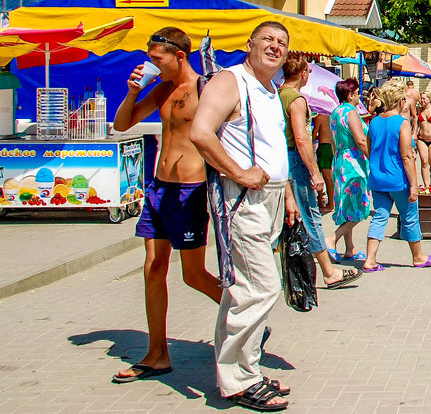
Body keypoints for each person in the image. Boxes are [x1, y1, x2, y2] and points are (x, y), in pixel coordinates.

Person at [190, 21, 298, 411]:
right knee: (261, 287)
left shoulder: (269, 89)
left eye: (281, 42)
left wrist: (286, 194)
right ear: (248, 44)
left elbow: (272, 149)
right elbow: (201, 133)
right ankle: (239, 380)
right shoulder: (229, 80)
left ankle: (243, 369)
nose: (274, 46)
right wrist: (237, 172)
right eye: (267, 39)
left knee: (244, 289)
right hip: (242, 199)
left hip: (268, 197)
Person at [111, 27, 223, 384]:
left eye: (156, 59)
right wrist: (132, 92)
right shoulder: (161, 87)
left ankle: (245, 317)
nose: (151, 64)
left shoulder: (206, 90)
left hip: (190, 191)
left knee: (193, 275)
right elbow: (121, 124)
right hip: (159, 189)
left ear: (179, 55)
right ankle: (157, 353)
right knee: (153, 267)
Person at [278, 57, 360, 290]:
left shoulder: (276, 94)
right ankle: (329, 272)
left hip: (280, 160)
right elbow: (302, 138)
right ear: (304, 73)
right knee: (310, 215)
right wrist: (315, 173)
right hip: (295, 159)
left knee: (289, 218)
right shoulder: (296, 99)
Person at [361, 82, 431, 273]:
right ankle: (418, 256)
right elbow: (406, 155)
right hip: (398, 179)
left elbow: (369, 149)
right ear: (399, 100)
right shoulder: (401, 123)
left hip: (377, 179)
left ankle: (370, 259)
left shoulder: (374, 122)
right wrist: (414, 185)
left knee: (379, 217)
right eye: (404, 98)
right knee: (410, 216)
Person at [329, 79, 372, 261]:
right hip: (354, 162)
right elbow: (361, 140)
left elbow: (333, 141)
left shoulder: (335, 112)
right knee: (360, 206)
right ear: (350, 95)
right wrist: (373, 159)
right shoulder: (350, 112)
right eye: (356, 93)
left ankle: (350, 248)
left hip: (340, 160)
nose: (359, 97)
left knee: (347, 205)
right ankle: (332, 239)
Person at [415, 92, 431, 188]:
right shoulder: (418, 110)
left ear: (429, 99)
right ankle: (426, 185)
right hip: (421, 139)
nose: (422, 101)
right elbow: (415, 123)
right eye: (421, 99)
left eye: (424, 99)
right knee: (424, 162)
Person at [313, 112, 334, 214]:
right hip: (332, 146)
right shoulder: (332, 117)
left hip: (323, 146)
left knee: (325, 177)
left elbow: (314, 133)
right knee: (329, 176)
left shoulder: (320, 117)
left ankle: (329, 204)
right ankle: (327, 201)